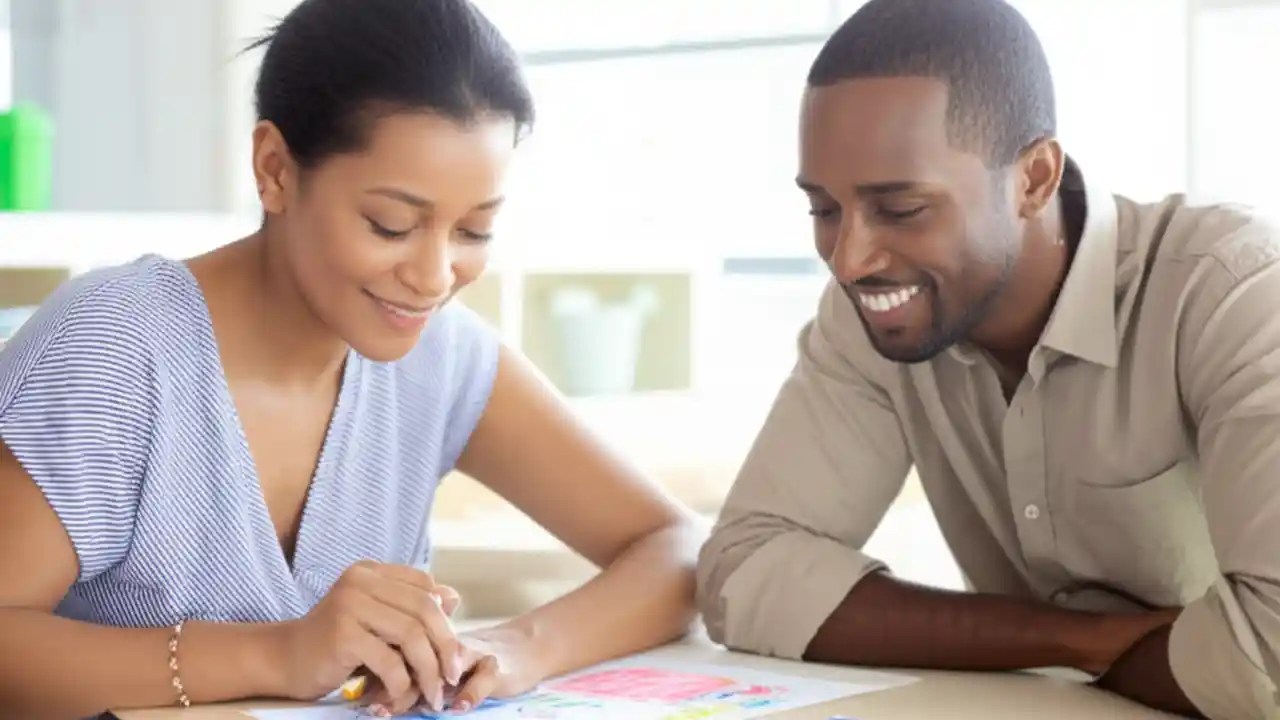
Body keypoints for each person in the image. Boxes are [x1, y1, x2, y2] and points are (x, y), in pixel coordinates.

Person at [0, 1, 702, 718]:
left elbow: (673, 547)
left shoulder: (441, 357)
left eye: (473, 229)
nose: (433, 275)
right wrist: (277, 653)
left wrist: (519, 645)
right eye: (390, 224)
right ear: (275, 170)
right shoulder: (116, 349)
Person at [696, 1, 1280, 718]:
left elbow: (1272, 654)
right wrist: (1084, 641)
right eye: (823, 210)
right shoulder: (877, 311)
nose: (849, 260)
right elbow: (743, 571)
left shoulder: (1231, 290)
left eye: (901, 209)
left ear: (1033, 178)